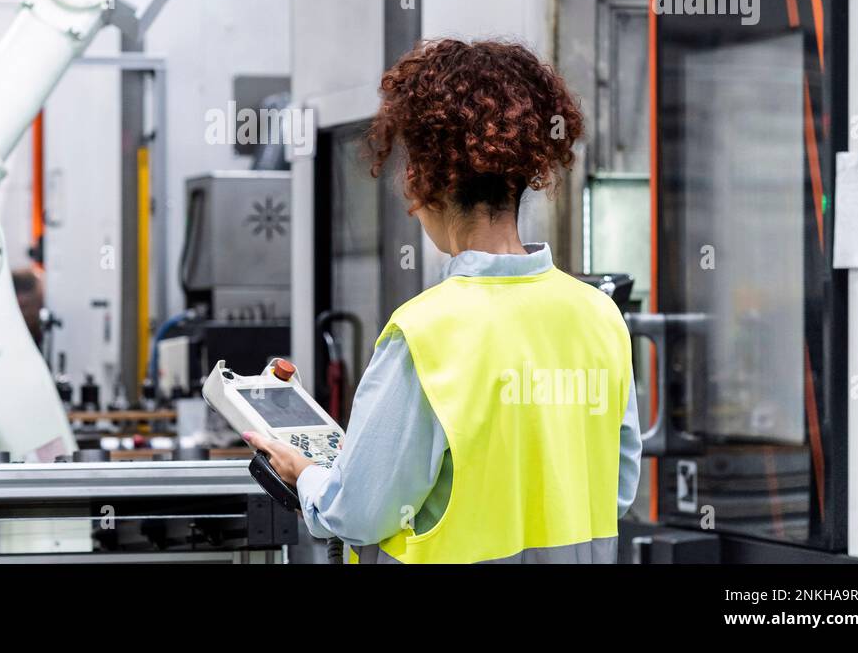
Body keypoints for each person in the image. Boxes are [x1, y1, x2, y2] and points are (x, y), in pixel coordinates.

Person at [246, 38, 642, 563]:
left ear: (423, 179)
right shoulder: (599, 316)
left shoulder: (426, 333)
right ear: (525, 171)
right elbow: (617, 488)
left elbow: (360, 513)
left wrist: (309, 476)